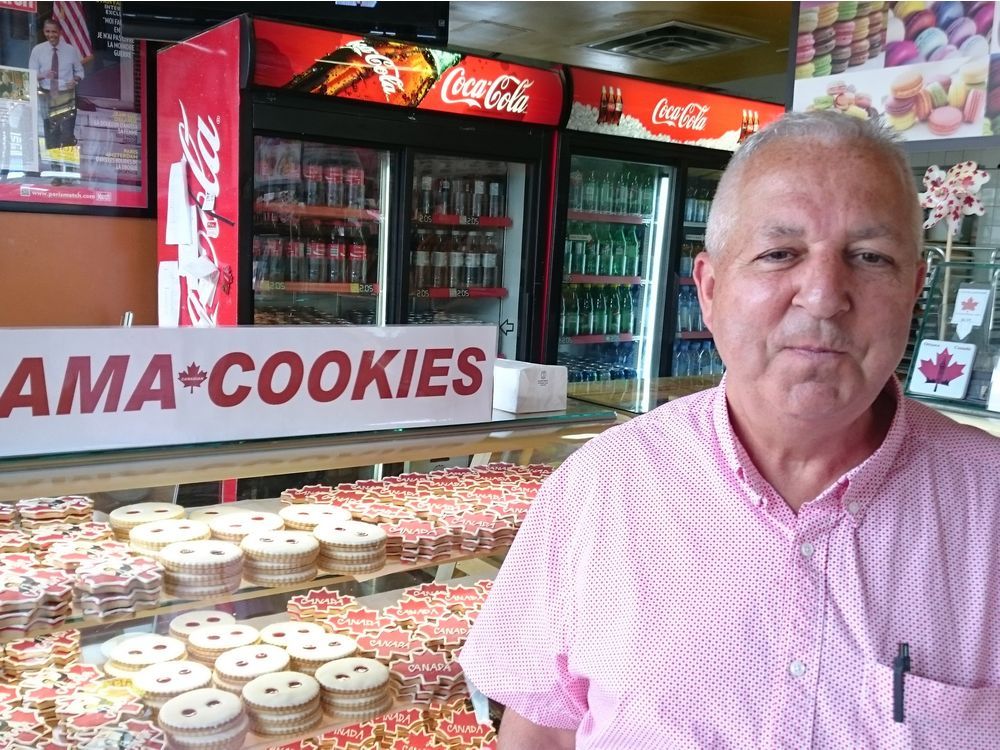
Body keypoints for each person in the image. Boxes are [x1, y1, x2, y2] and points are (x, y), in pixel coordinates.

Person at [458, 111, 1000, 748]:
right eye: (779, 254)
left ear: (914, 290)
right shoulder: (602, 488)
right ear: (710, 290)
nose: (824, 295)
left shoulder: (988, 503)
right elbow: (543, 732)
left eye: (869, 256)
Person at [28, 16, 84, 149]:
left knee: (67, 134)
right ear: (43, 31)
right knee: (51, 133)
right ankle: (55, 167)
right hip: (46, 95)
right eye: (47, 31)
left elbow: (80, 71)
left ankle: (69, 168)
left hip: (66, 95)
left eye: (54, 31)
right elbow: (31, 74)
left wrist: (75, 80)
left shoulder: (70, 50)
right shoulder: (37, 50)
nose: (51, 35)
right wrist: (43, 75)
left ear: (60, 32)